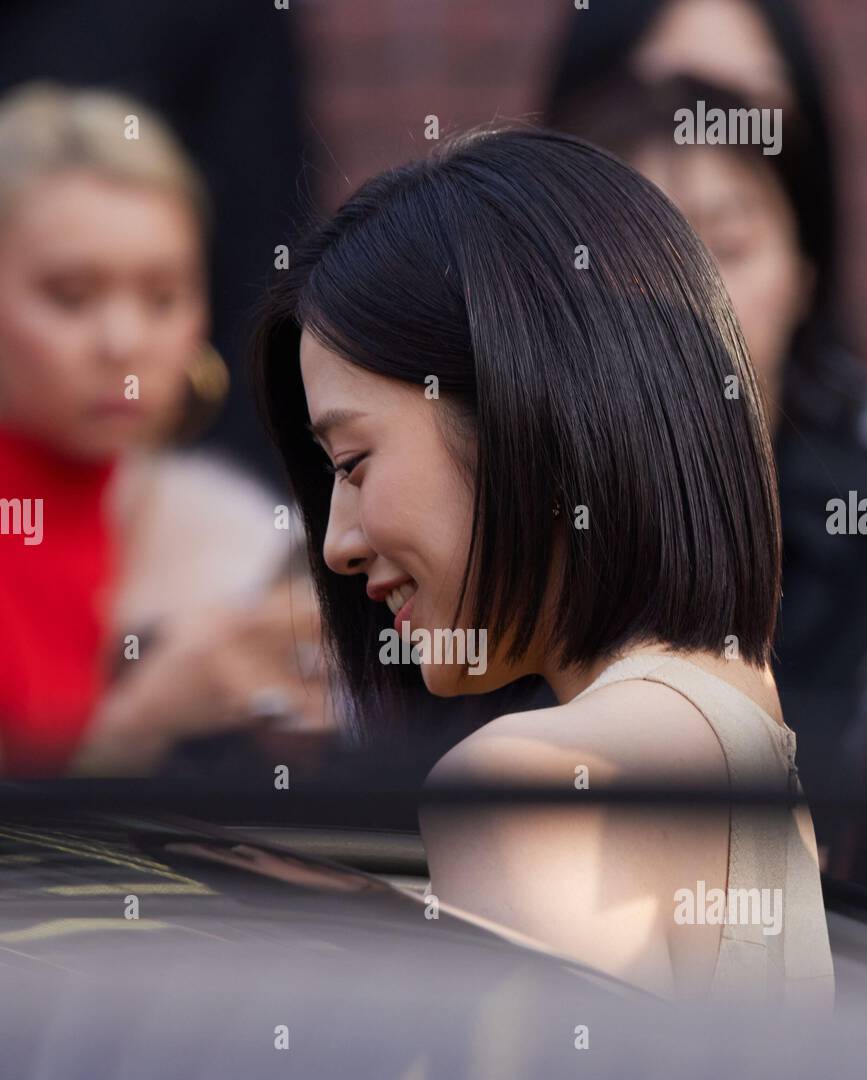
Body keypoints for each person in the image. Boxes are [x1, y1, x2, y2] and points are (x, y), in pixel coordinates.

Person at [252, 125, 835, 1006]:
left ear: (521, 411)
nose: (337, 543)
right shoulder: (745, 744)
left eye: (352, 463)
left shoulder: (532, 784)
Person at [543, 0, 867, 851]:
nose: (690, 300)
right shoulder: (501, 521)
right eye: (641, 258)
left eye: (726, 244)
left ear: (803, 265)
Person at [0, 83, 330, 775]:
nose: (123, 341)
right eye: (69, 295)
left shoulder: (240, 531)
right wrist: (145, 720)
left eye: (162, 296)